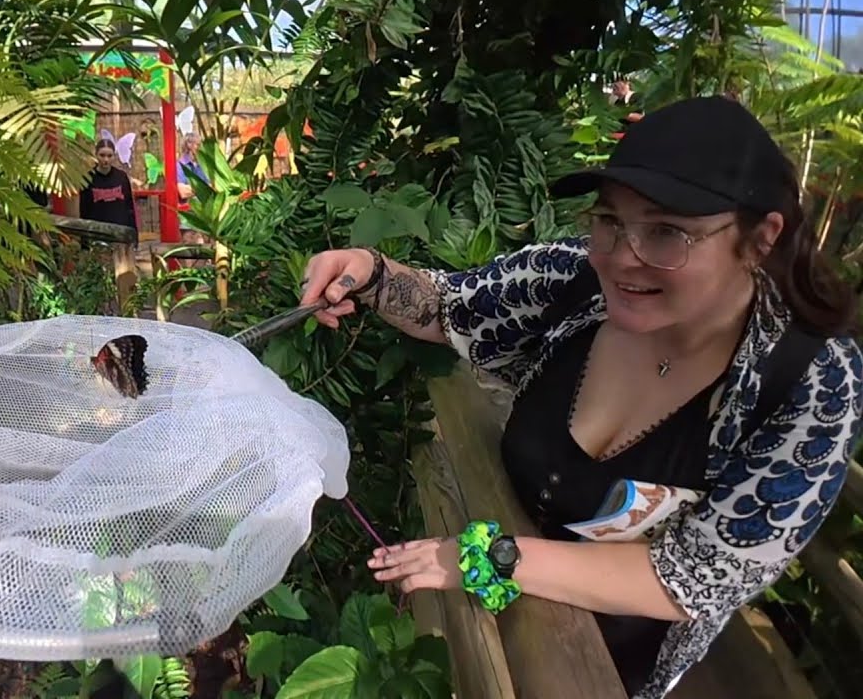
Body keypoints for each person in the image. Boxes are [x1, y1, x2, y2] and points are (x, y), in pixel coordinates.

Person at [299, 96, 861, 699]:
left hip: (611, 672)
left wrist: (486, 559)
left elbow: (693, 577)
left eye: (666, 232)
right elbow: (449, 306)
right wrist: (370, 273)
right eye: (609, 221)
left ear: (760, 239)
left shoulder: (811, 384)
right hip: (491, 633)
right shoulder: (574, 278)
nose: (621, 259)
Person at [79, 138, 137, 241]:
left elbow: (129, 207)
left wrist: (133, 235)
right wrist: (85, 241)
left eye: (109, 156)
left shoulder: (121, 177)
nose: (106, 160)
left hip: (120, 233)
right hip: (98, 234)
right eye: (102, 155)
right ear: (96, 155)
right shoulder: (88, 179)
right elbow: (84, 211)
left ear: (114, 156)